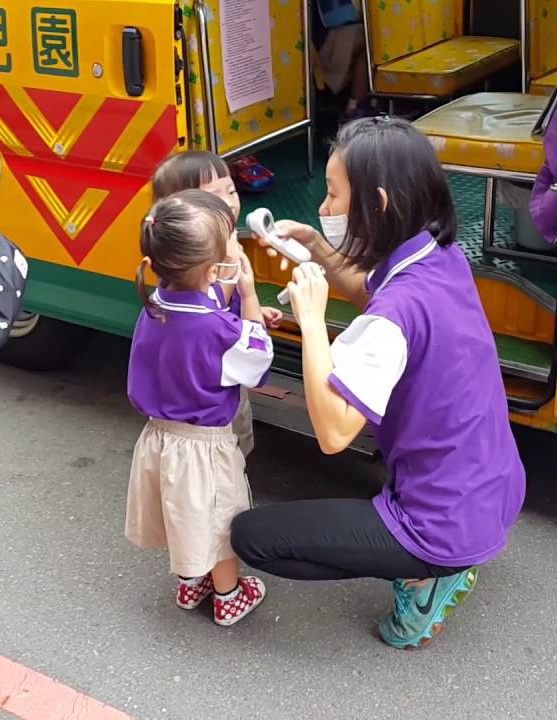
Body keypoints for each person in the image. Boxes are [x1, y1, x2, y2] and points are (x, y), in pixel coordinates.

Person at [229, 117, 525, 650]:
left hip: (443, 522)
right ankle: (442, 554)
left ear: (379, 202)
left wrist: (312, 319)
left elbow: (334, 434)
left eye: (334, 194)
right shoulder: (437, 256)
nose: (323, 205)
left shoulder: (394, 316)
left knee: (252, 538)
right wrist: (317, 246)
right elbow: (373, 293)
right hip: (492, 487)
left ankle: (427, 577)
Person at [125, 190, 273, 626]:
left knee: (183, 513)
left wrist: (230, 303)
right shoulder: (218, 329)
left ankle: (192, 582)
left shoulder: (156, 304)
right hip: (204, 444)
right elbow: (256, 363)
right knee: (219, 523)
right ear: (213, 269)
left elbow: (203, 312)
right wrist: (248, 300)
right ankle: (228, 595)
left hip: (160, 437)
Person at [150, 150, 284, 457]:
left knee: (239, 448)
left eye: (232, 190)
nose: (231, 202)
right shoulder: (200, 263)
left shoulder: (219, 245)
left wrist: (251, 312)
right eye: (215, 196)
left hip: (216, 391)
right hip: (207, 411)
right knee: (227, 465)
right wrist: (249, 300)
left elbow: (219, 314)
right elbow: (220, 321)